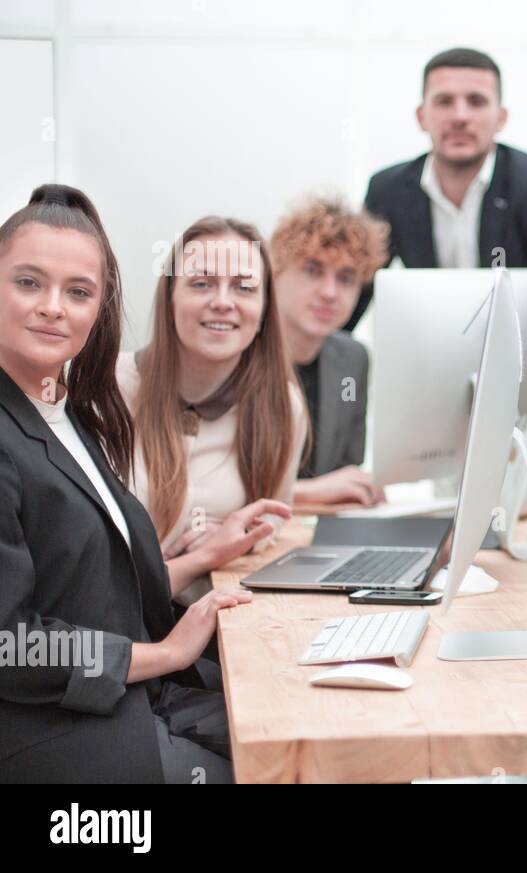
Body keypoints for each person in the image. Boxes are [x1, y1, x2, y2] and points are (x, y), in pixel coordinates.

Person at [0, 185, 275, 783]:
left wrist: (205, 557)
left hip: (131, 697)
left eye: (78, 292)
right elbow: (11, 647)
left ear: (98, 309)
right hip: (48, 727)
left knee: (308, 735)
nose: (53, 306)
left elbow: (92, 588)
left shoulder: (66, 410)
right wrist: (170, 652)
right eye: (28, 283)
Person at [119, 215, 307, 598]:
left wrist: (241, 535)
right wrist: (202, 557)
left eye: (244, 288)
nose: (222, 303)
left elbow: (273, 513)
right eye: (201, 283)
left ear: (264, 309)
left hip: (215, 619)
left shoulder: (283, 405)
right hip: (117, 624)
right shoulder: (107, 385)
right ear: (170, 296)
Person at [351, 46, 527, 330]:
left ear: (501, 118)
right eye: (444, 101)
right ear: (422, 116)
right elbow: (354, 293)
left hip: (518, 352)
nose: (460, 116)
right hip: (429, 347)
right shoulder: (387, 190)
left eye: (476, 101)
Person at [272, 195, 389, 507]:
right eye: (312, 270)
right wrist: (305, 492)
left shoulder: (353, 359)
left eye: (346, 278)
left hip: (316, 534)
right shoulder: (237, 354)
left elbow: (345, 474)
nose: (329, 293)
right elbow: (210, 489)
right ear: (276, 273)